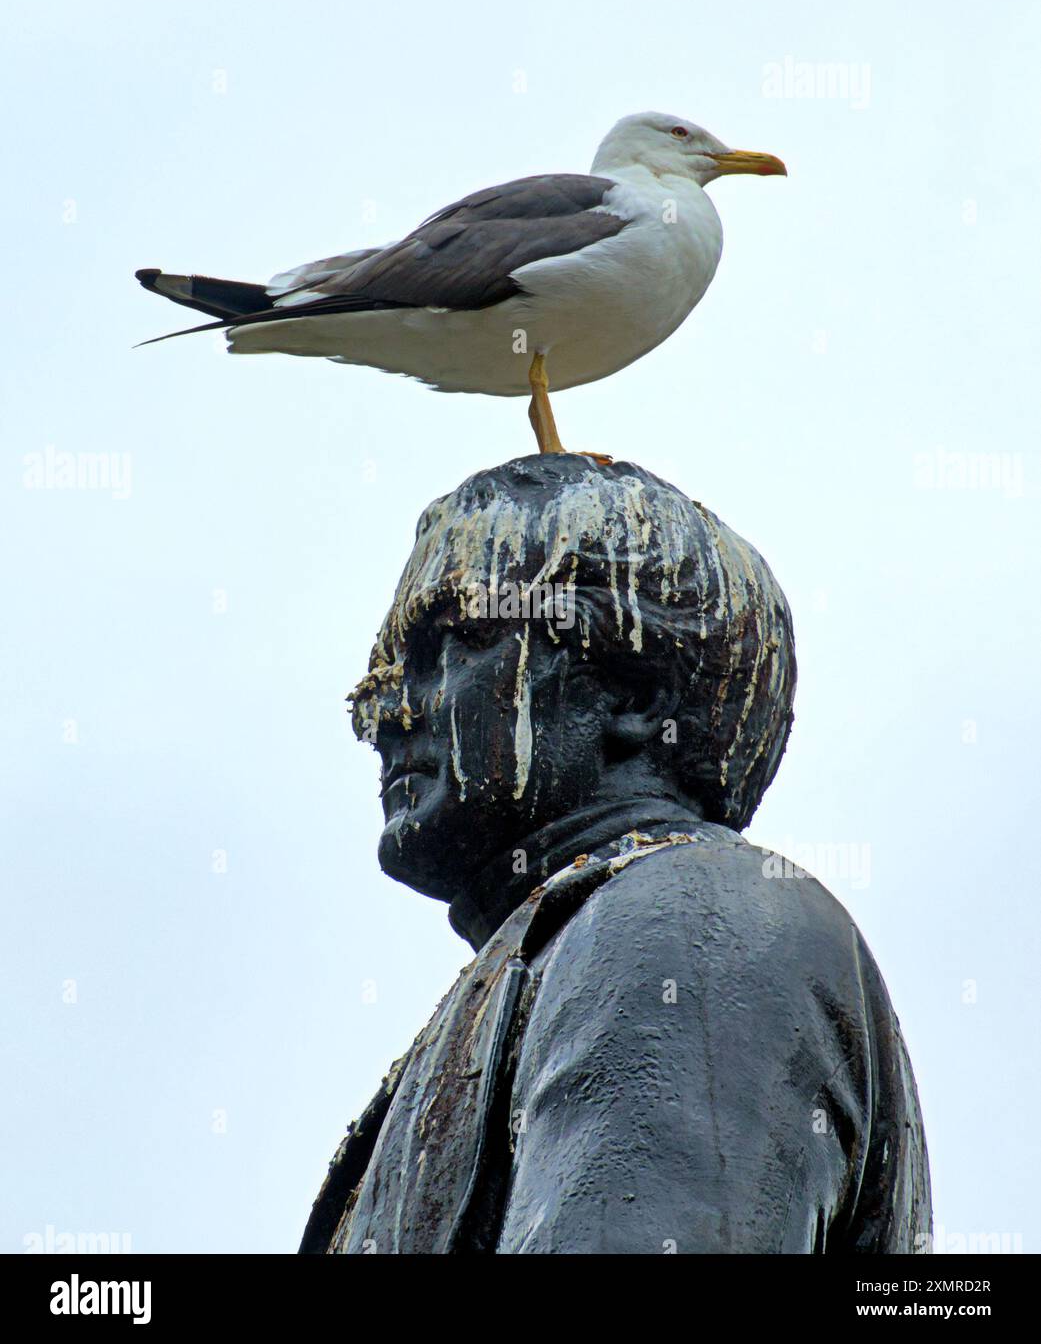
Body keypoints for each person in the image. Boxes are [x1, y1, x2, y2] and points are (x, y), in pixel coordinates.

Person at [299, 455, 931, 1254]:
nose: (388, 711)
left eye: (453, 643)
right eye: (381, 678)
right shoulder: (554, 955)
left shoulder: (689, 912)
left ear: (633, 696)